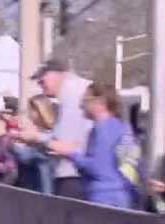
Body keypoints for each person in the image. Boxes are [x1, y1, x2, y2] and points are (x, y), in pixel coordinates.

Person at [49, 81, 140, 210]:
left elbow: (98, 168)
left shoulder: (101, 129)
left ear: (100, 103)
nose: (81, 106)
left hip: (104, 198)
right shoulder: (123, 128)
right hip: (122, 196)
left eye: (85, 100)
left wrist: (71, 153)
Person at [34, 57, 93, 199]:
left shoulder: (72, 95)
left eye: (43, 78)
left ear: (61, 74)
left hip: (74, 176)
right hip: (77, 174)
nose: (39, 83)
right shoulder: (73, 93)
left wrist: (36, 137)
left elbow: (64, 144)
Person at [14, 95, 57, 194]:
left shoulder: (51, 133)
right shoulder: (34, 131)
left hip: (46, 186)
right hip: (31, 185)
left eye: (32, 110)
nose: (30, 114)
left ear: (41, 110)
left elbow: (29, 157)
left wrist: (16, 147)